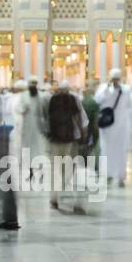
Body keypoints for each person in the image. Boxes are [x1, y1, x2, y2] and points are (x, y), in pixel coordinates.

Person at [45, 81, 89, 214]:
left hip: (55, 139)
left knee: (54, 169)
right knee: (68, 167)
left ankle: (54, 198)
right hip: (69, 139)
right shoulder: (73, 99)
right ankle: (62, 189)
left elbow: (47, 118)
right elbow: (78, 117)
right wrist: (82, 133)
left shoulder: (52, 99)